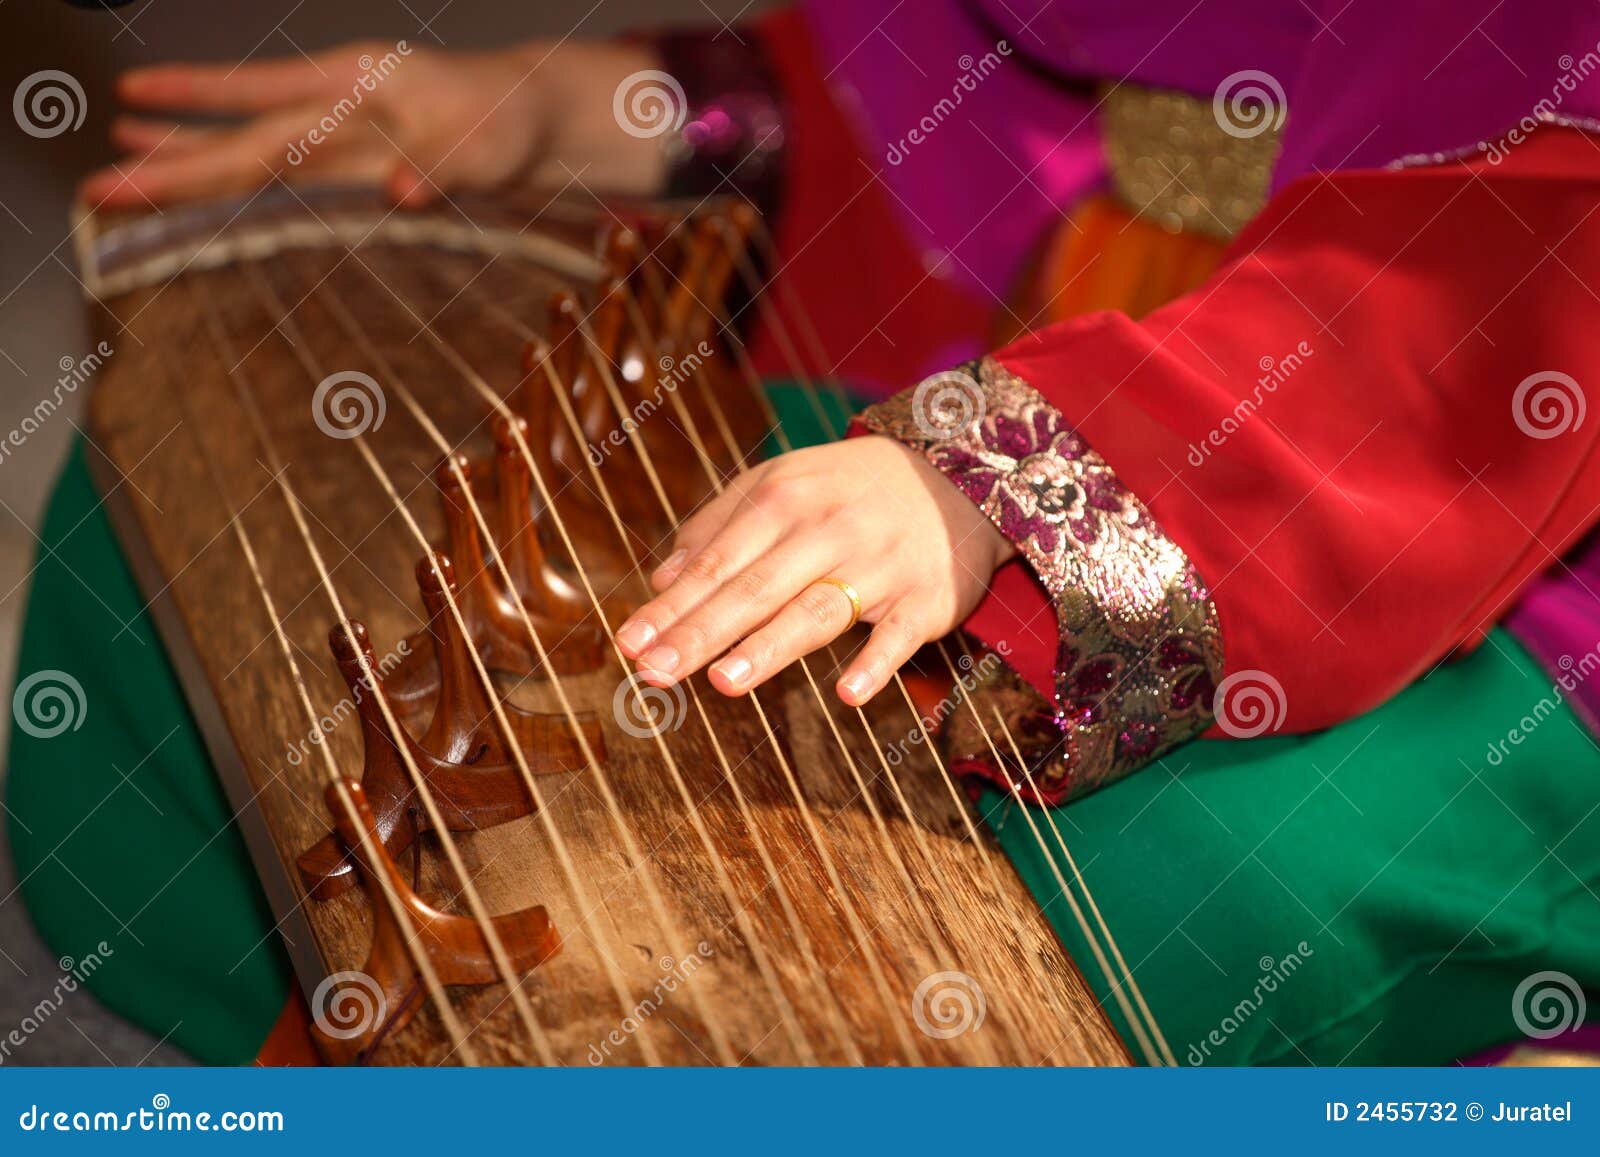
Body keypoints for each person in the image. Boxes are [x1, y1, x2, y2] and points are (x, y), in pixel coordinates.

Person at [15, 1, 1600, 1064]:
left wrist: (1006, 482)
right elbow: (931, 93)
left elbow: (1485, 318)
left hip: (1476, 572)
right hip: (1006, 400)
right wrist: (574, 113)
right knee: (323, 470)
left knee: (1134, 901)